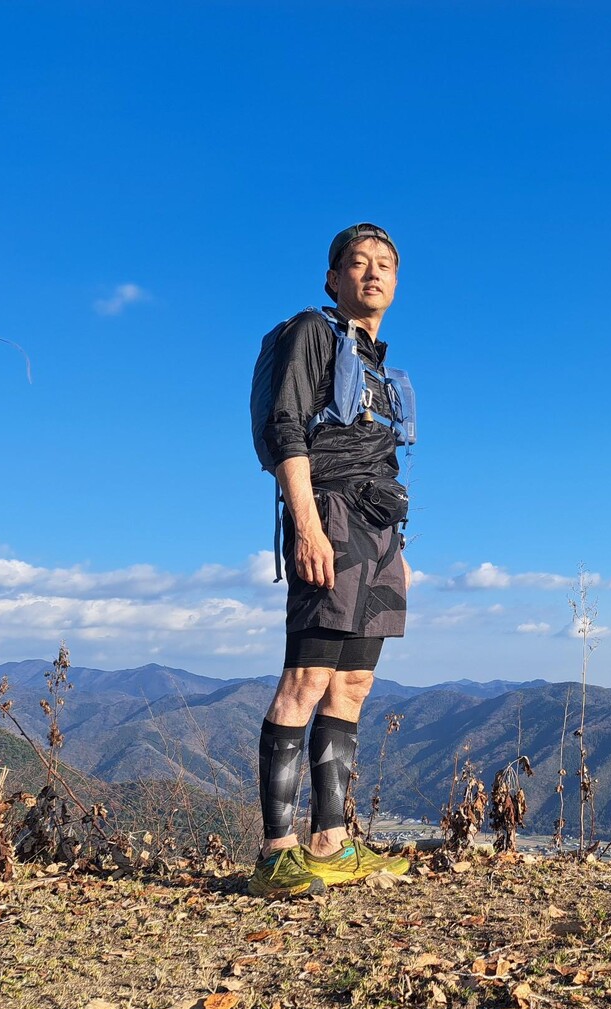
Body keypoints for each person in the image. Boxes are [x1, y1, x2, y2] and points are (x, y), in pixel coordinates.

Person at [248, 223, 414, 898]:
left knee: (352, 686)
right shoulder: (310, 333)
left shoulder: (380, 365)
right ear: (332, 278)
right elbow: (285, 426)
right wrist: (309, 528)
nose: (372, 274)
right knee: (307, 678)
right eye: (357, 263)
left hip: (380, 527)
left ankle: (330, 842)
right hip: (332, 516)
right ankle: (275, 852)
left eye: (385, 266)